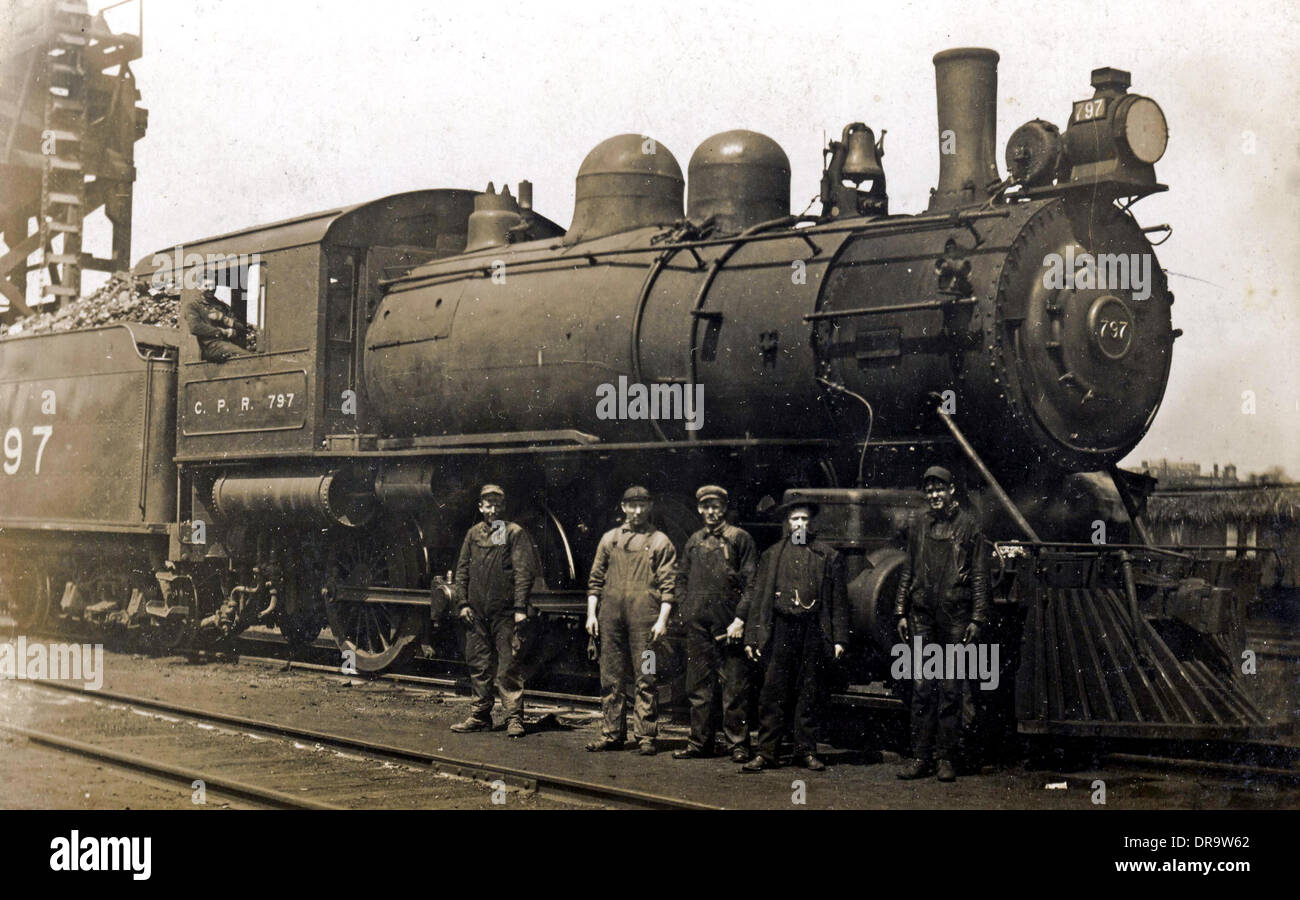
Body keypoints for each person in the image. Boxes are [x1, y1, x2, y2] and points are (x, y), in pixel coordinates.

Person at [894, 466, 990, 783]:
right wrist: (900, 611)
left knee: (950, 689)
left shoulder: (970, 527)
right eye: (930, 490)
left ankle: (946, 758)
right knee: (922, 688)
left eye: (940, 489)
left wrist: (977, 618)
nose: (934, 495)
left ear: (951, 491)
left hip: (956, 618)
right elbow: (908, 569)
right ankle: (920, 758)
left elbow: (978, 577)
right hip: (922, 616)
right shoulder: (919, 526)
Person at [742, 499, 849, 772]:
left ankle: (806, 751)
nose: (800, 524)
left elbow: (838, 602)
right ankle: (767, 752)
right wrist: (753, 637)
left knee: (809, 691)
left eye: (804, 519)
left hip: (812, 629)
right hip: (780, 629)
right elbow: (759, 600)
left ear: (811, 523)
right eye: (795, 519)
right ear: (787, 524)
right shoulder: (772, 555)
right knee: (772, 691)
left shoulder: (828, 556)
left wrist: (839, 639)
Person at [585, 485, 677, 756]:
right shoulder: (609, 539)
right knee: (610, 677)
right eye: (632, 505)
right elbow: (595, 581)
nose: (637, 511)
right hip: (610, 619)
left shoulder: (661, 541)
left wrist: (662, 621)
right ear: (623, 508)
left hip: (646, 622)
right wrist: (592, 614)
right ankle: (612, 734)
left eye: (642, 505)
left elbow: (669, 586)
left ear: (649, 507)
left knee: (646, 676)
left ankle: (646, 736)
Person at [672, 485, 758, 763]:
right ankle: (699, 743)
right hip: (698, 626)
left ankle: (738, 744)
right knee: (698, 687)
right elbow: (681, 578)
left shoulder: (739, 539)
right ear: (699, 509)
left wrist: (740, 619)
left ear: (724, 508)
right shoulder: (694, 541)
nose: (711, 512)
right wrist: (685, 610)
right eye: (706, 507)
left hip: (728, 624)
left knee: (734, 687)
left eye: (716, 507)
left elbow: (751, 583)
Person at [448, 484, 538, 738]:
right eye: (488, 504)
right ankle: (480, 715)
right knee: (479, 664)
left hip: (505, 612)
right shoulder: (473, 534)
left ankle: (513, 718)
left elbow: (523, 572)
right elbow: (462, 570)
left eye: (497, 504)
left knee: (508, 666)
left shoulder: (514, 532)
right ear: (480, 507)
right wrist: (462, 603)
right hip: (476, 611)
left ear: (504, 506)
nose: (493, 509)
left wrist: (520, 607)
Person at [183, 278, 250, 362]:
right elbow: (195, 327)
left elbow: (241, 327)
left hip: (227, 344)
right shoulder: (193, 306)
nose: (211, 289)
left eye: (213, 285)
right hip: (210, 346)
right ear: (199, 287)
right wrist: (222, 332)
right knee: (247, 357)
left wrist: (224, 319)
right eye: (207, 286)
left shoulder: (222, 306)